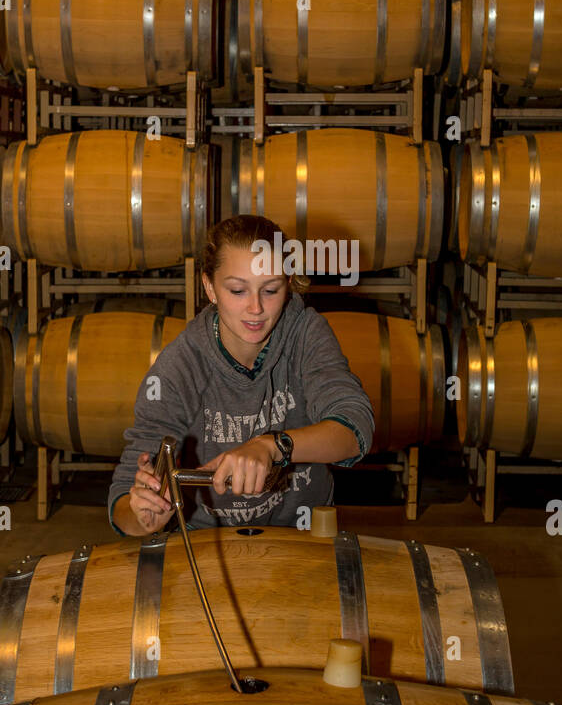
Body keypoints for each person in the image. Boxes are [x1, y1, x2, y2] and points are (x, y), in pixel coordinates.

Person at [108, 213, 376, 535]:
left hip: (301, 538)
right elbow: (125, 497)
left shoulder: (306, 334)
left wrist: (272, 447)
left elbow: (355, 428)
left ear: (288, 284)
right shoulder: (181, 365)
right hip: (209, 542)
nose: (255, 308)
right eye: (237, 291)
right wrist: (143, 516)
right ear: (209, 287)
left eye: (270, 290)